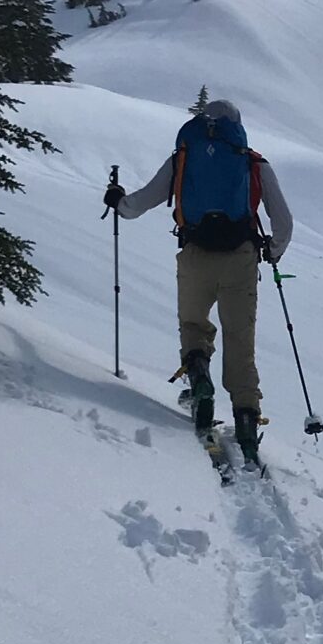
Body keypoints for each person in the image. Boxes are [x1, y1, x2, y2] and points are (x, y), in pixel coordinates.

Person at [103, 98, 293, 462]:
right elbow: (283, 221)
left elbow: (141, 202)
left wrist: (119, 201)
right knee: (240, 341)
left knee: (193, 324)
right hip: (240, 258)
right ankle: (247, 419)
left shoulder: (183, 157)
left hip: (195, 254)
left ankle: (199, 374)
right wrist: (273, 250)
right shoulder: (253, 162)